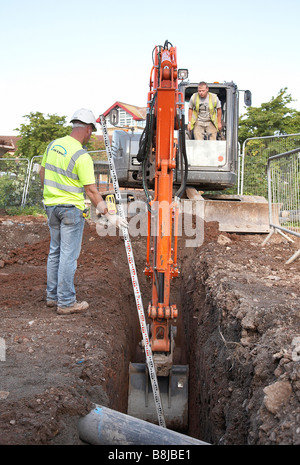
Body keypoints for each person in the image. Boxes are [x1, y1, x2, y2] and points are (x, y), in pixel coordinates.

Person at [39, 108, 128, 315]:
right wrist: (109, 215)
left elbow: (42, 173)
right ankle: (66, 302)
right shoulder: (81, 155)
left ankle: (52, 297)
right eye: (91, 131)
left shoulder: (53, 146)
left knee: (55, 252)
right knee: (68, 257)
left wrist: (51, 195)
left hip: (51, 206)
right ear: (88, 129)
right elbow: (91, 191)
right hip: (71, 210)